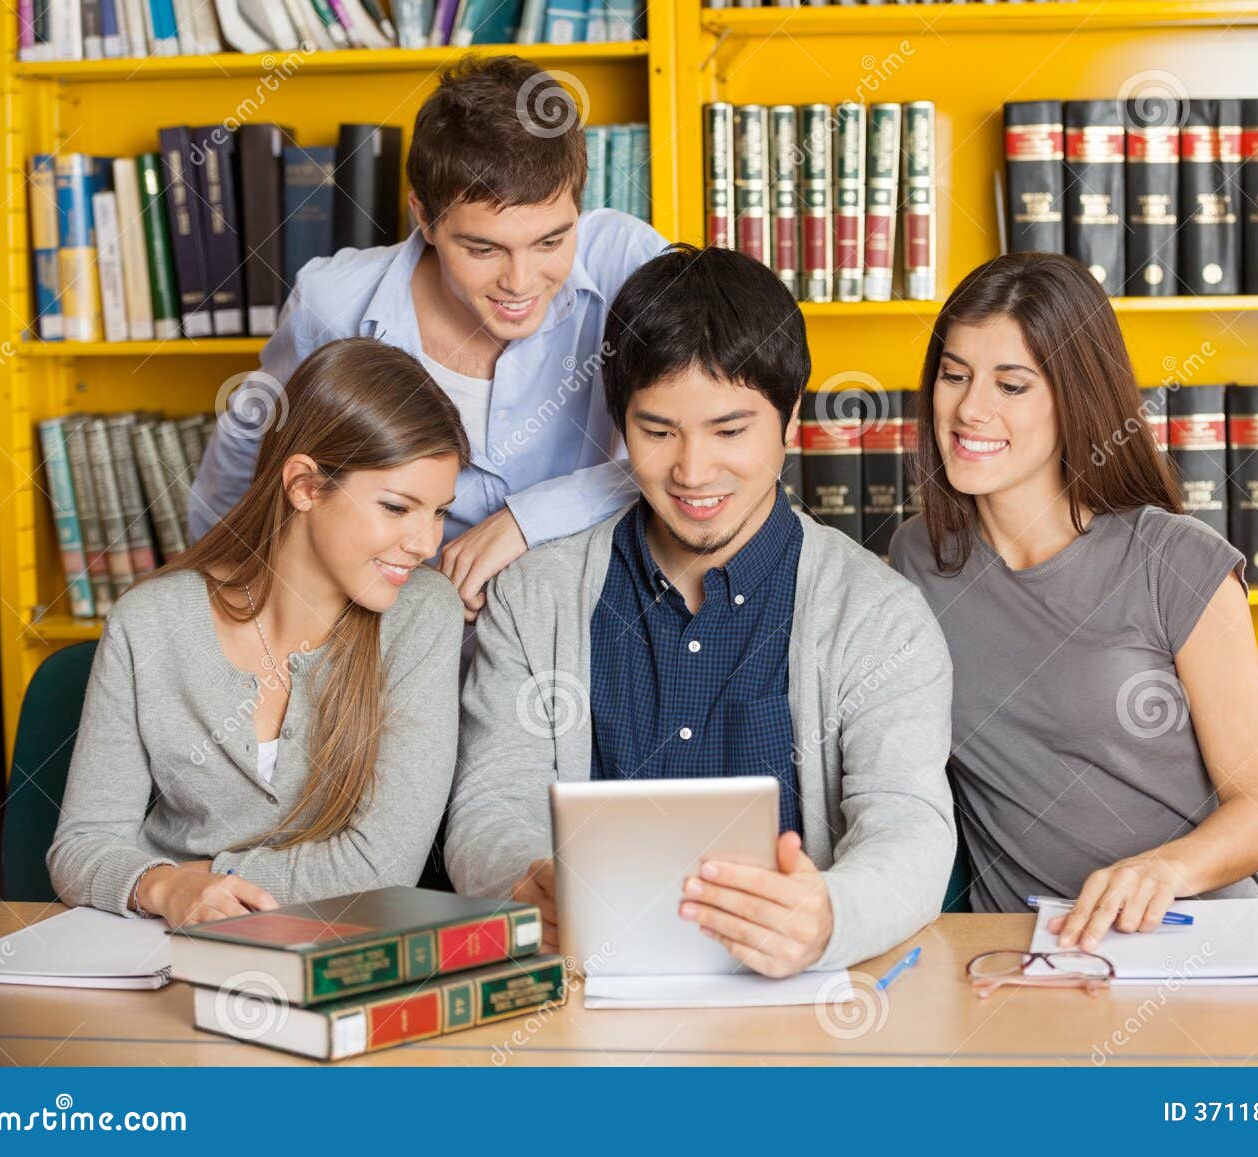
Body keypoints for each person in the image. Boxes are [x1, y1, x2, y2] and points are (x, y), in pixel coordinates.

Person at [444, 245, 956, 977]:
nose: (692, 471)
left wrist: (828, 916)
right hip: (582, 1012)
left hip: (799, 1014)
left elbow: (910, 826)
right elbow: (490, 804)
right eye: (657, 432)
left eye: (729, 430)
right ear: (620, 426)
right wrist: (525, 883)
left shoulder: (879, 617)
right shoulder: (536, 598)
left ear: (790, 420)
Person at [889, 251, 1258, 953]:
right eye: (954, 375)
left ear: (1075, 398)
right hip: (1029, 954)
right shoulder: (915, 561)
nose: (969, 408)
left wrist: (1164, 868)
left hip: (1193, 938)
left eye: (1011, 385)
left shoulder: (1178, 559)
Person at [189, 54, 667, 621]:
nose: (520, 283)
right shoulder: (334, 302)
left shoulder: (627, 263)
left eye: (548, 243)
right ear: (425, 217)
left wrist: (528, 518)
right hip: (388, 630)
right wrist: (213, 607)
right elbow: (250, 457)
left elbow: (702, 438)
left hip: (587, 623)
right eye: (483, 249)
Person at [48, 338, 469, 927]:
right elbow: (82, 845)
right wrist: (166, 890)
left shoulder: (422, 614)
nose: (427, 544)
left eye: (440, 511)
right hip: (166, 951)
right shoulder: (150, 622)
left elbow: (380, 868)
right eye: (398, 508)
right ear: (303, 485)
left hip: (342, 953)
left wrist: (196, 877)